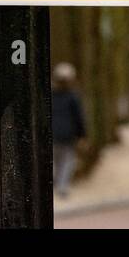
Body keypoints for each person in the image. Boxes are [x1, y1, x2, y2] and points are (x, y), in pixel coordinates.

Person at [51, 62, 87, 197]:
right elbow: (79, 117)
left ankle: (57, 184)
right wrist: (82, 135)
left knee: (55, 160)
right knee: (67, 161)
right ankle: (62, 186)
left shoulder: (50, 95)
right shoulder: (73, 96)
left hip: (53, 134)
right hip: (67, 134)